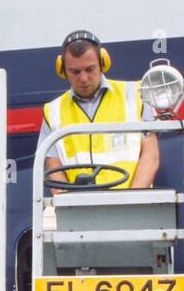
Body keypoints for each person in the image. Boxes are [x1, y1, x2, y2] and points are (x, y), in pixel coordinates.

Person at [43, 30, 159, 189]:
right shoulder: (52, 112)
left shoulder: (137, 95)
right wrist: (70, 207)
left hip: (133, 208)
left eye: (90, 69)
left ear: (103, 63)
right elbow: (53, 167)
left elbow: (150, 156)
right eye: (75, 72)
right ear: (62, 70)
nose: (83, 78)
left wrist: (131, 202)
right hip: (79, 210)